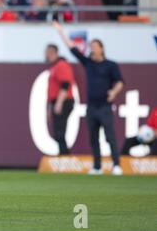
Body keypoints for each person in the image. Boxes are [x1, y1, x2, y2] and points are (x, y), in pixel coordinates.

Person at [53, 21, 124, 175]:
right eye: (91, 46)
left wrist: (113, 92)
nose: (92, 49)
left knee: (110, 137)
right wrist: (61, 31)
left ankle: (116, 165)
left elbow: (119, 82)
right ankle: (97, 166)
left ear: (101, 49)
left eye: (94, 46)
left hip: (105, 106)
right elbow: (73, 49)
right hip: (91, 107)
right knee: (93, 139)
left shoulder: (110, 65)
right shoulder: (89, 63)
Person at [45, 44, 76, 155]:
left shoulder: (61, 65)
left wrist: (59, 103)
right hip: (57, 102)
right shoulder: (54, 67)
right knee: (58, 131)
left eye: (47, 52)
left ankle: (64, 156)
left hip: (64, 101)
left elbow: (66, 84)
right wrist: (50, 108)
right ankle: (63, 154)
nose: (46, 55)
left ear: (53, 52)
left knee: (60, 131)